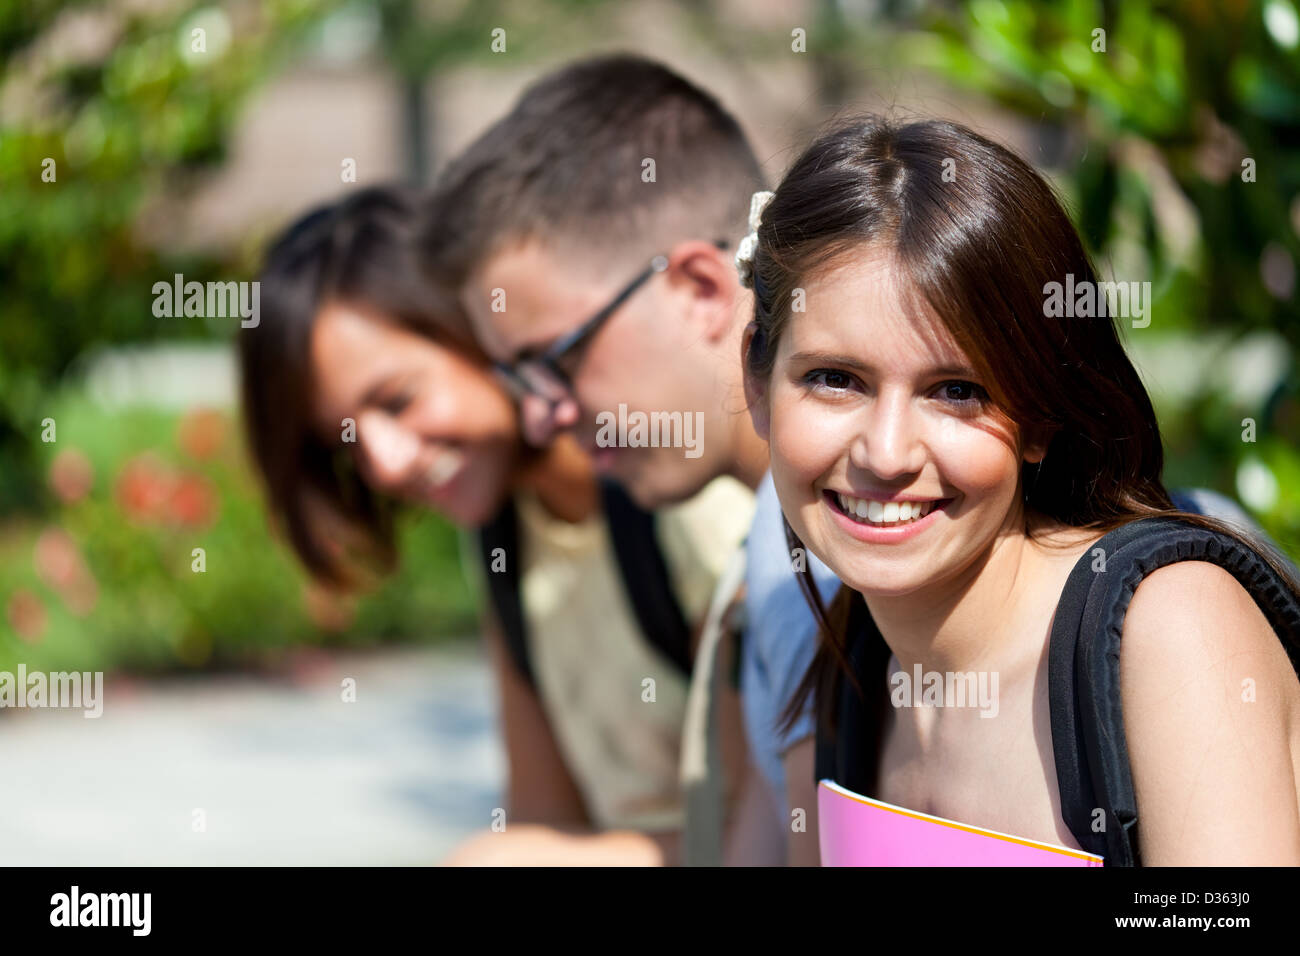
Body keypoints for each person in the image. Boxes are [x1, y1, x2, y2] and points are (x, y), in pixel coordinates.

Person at [740, 115, 1300, 864]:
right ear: (756, 381)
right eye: (835, 379)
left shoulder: (1168, 628)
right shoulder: (845, 675)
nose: (886, 452)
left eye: (957, 390)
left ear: (1041, 417)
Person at [239, 185, 754, 865]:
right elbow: (544, 817)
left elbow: (768, 822)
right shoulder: (504, 535)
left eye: (398, 400)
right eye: (346, 444)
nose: (386, 464)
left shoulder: (683, 502)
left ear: (483, 329)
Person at [422, 53, 824, 863]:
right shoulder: (777, 549)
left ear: (700, 290)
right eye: (517, 378)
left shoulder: (867, 538)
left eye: (556, 359)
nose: (542, 415)